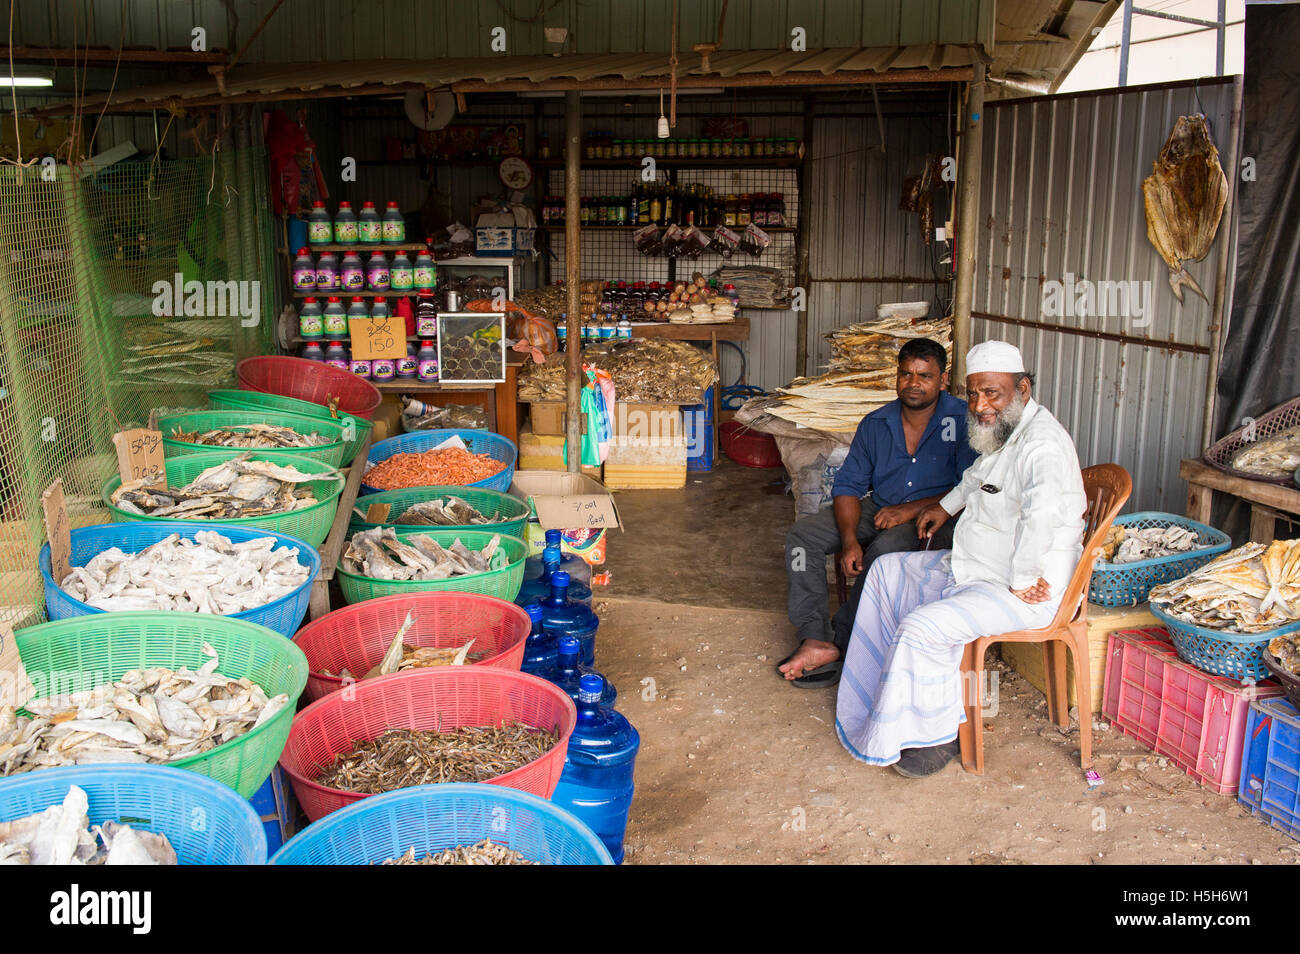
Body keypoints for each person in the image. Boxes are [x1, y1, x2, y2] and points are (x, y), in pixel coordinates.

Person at [834, 340, 1087, 777]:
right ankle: (881, 693)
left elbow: (1043, 515)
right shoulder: (1009, 431)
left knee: (923, 627)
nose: (980, 404)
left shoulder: (1040, 444)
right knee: (885, 573)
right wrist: (943, 508)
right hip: (982, 566)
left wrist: (1026, 576)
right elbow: (974, 479)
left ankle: (937, 735)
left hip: (1025, 587)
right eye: (973, 393)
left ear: (1022, 389)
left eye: (993, 393)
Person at [779, 337, 976, 688]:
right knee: (802, 538)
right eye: (906, 374)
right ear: (896, 376)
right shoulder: (876, 423)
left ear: (943, 380)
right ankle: (814, 635)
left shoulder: (961, 420)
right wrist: (850, 538)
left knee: (884, 552)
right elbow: (848, 486)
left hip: (938, 515)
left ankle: (840, 641)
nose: (913, 383)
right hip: (882, 507)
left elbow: (972, 483)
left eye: (925, 376)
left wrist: (910, 509)